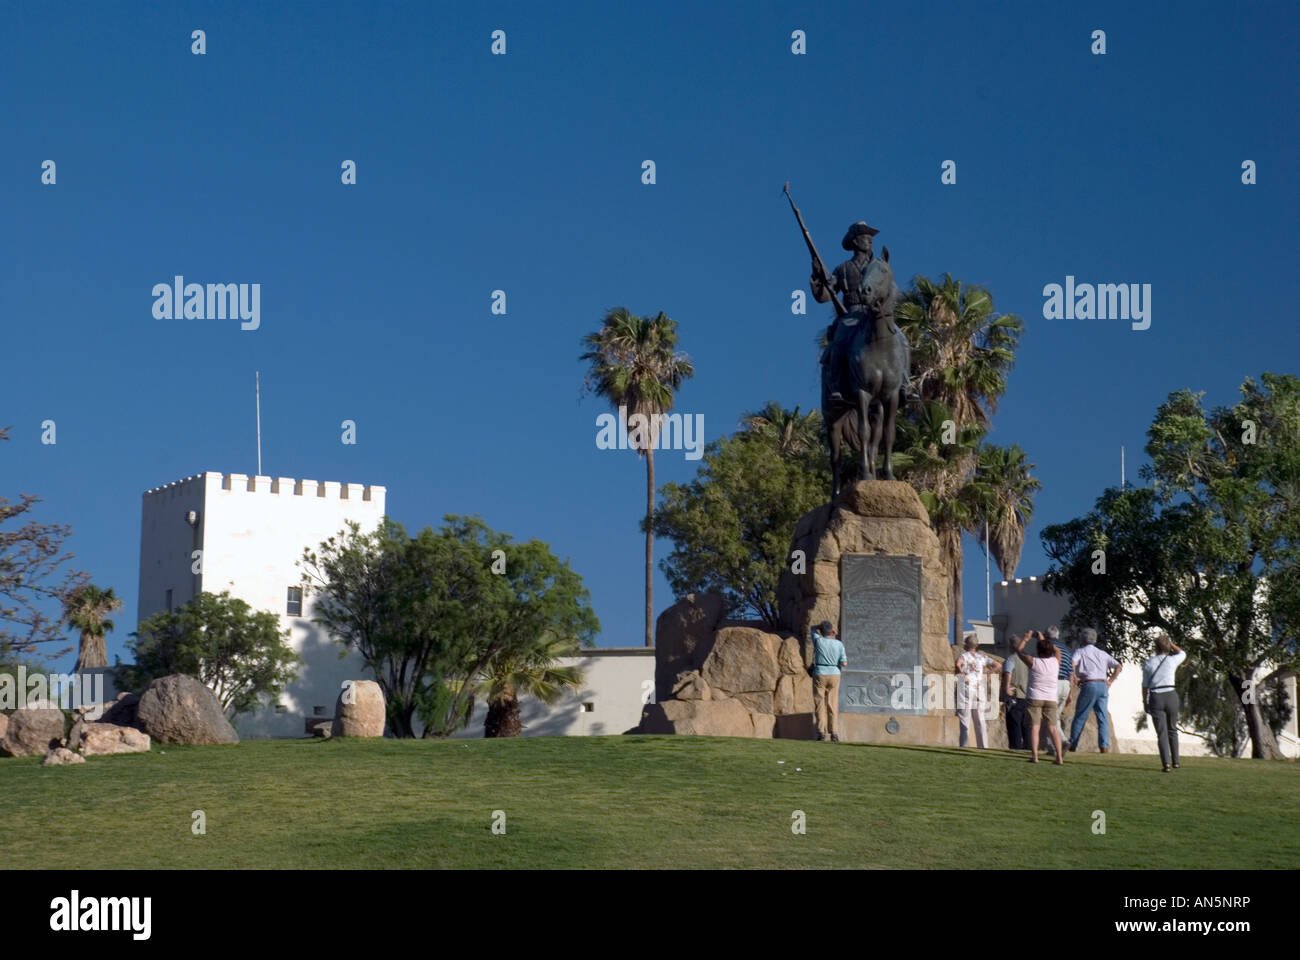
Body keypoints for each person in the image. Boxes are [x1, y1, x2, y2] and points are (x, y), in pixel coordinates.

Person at [810, 221, 879, 400]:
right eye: (865, 237)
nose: (870, 241)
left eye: (871, 238)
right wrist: (818, 276)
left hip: (874, 313)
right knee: (839, 343)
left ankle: (904, 384)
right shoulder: (843, 269)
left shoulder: (878, 267)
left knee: (899, 340)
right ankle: (836, 387)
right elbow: (825, 295)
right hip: (851, 315)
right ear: (855, 242)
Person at [1015, 631, 1065, 764]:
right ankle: (1059, 757)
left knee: (1035, 727)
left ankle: (1035, 756)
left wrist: (1026, 638)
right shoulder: (1055, 662)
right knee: (1053, 728)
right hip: (1051, 698)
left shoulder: (1034, 662)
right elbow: (1057, 650)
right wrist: (1043, 640)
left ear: (1038, 650)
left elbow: (1019, 651)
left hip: (1035, 697)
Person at [1069, 628, 1122, 753]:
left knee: (1081, 715)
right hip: (1102, 684)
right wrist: (1110, 681)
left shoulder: (1080, 651)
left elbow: (1072, 662)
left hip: (1089, 683)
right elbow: (1118, 666)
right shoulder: (1102, 653)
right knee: (1102, 716)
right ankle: (1104, 746)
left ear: (1083, 639)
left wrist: (1075, 677)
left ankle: (1073, 744)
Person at [1142, 633, 1187, 772]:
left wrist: (1145, 701)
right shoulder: (1172, 660)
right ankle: (1176, 761)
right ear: (1167, 647)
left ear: (1155, 647)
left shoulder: (1148, 663)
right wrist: (1170, 644)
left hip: (1156, 695)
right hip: (1171, 695)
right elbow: (1182, 653)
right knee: (1172, 729)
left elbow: (1144, 685)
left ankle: (1166, 764)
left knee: (1161, 732)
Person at [954, 635, 997, 747]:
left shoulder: (964, 655)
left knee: (965, 718)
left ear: (966, 645)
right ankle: (983, 746)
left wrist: (963, 675)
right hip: (979, 688)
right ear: (976, 645)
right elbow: (998, 665)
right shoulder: (981, 657)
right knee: (980, 719)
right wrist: (987, 673)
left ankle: (964, 745)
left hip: (967, 687)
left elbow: (958, 664)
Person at [810, 620, 847, 742]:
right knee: (832, 703)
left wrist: (818, 627)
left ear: (821, 631)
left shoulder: (818, 641)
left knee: (820, 704)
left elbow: (812, 629)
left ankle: (821, 732)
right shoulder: (839, 644)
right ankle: (834, 732)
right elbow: (844, 663)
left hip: (820, 673)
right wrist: (834, 635)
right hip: (834, 674)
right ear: (832, 631)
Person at [1002, 643, 1030, 749]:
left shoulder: (1011, 659)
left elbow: (1008, 673)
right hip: (1026, 696)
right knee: (1025, 725)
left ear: (1012, 647)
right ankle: (1027, 747)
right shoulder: (1027, 660)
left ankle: (1016, 747)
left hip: (1015, 695)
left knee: (1014, 724)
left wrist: (1006, 688)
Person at [1047, 626, 1073, 740]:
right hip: (1065, 684)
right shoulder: (1067, 651)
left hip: (1054, 682)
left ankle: (1057, 743)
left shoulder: (1048, 648)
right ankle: (1061, 741)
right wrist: (1070, 693)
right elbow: (1071, 672)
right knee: (1055, 716)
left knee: (1049, 716)